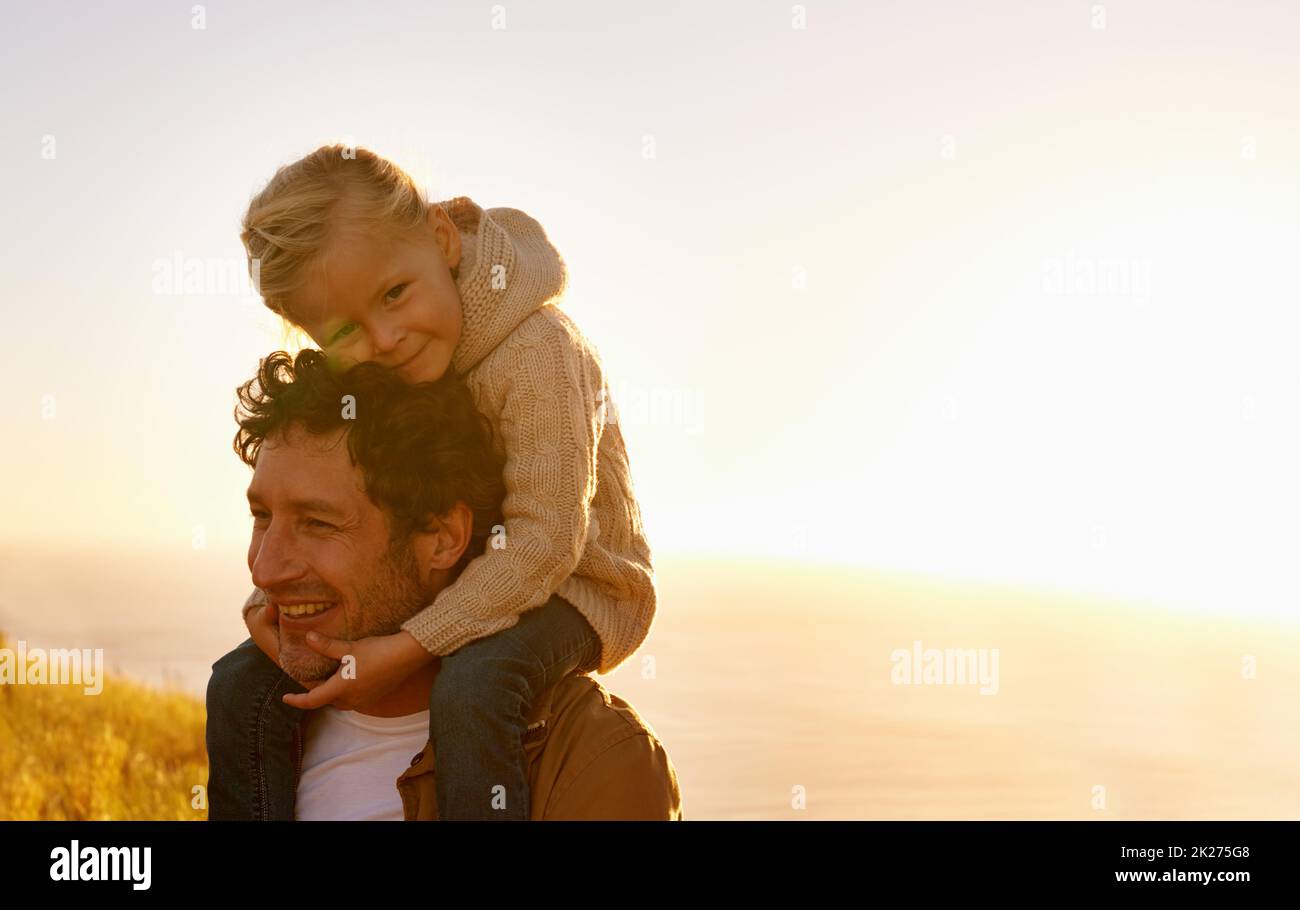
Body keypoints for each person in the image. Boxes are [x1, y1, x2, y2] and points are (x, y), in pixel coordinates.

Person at [212, 144, 657, 819]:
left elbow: (545, 543)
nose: (385, 339)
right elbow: (336, 496)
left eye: (395, 294)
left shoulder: (538, 350)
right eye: (346, 330)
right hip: (480, 569)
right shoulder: (396, 355)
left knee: (475, 686)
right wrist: (268, 604)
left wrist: (410, 646)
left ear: (443, 238)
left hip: (581, 584)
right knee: (241, 681)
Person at [205, 351, 681, 820]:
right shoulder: (255, 729)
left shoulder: (598, 761)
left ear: (442, 538)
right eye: (262, 517)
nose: (263, 571)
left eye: (318, 524)